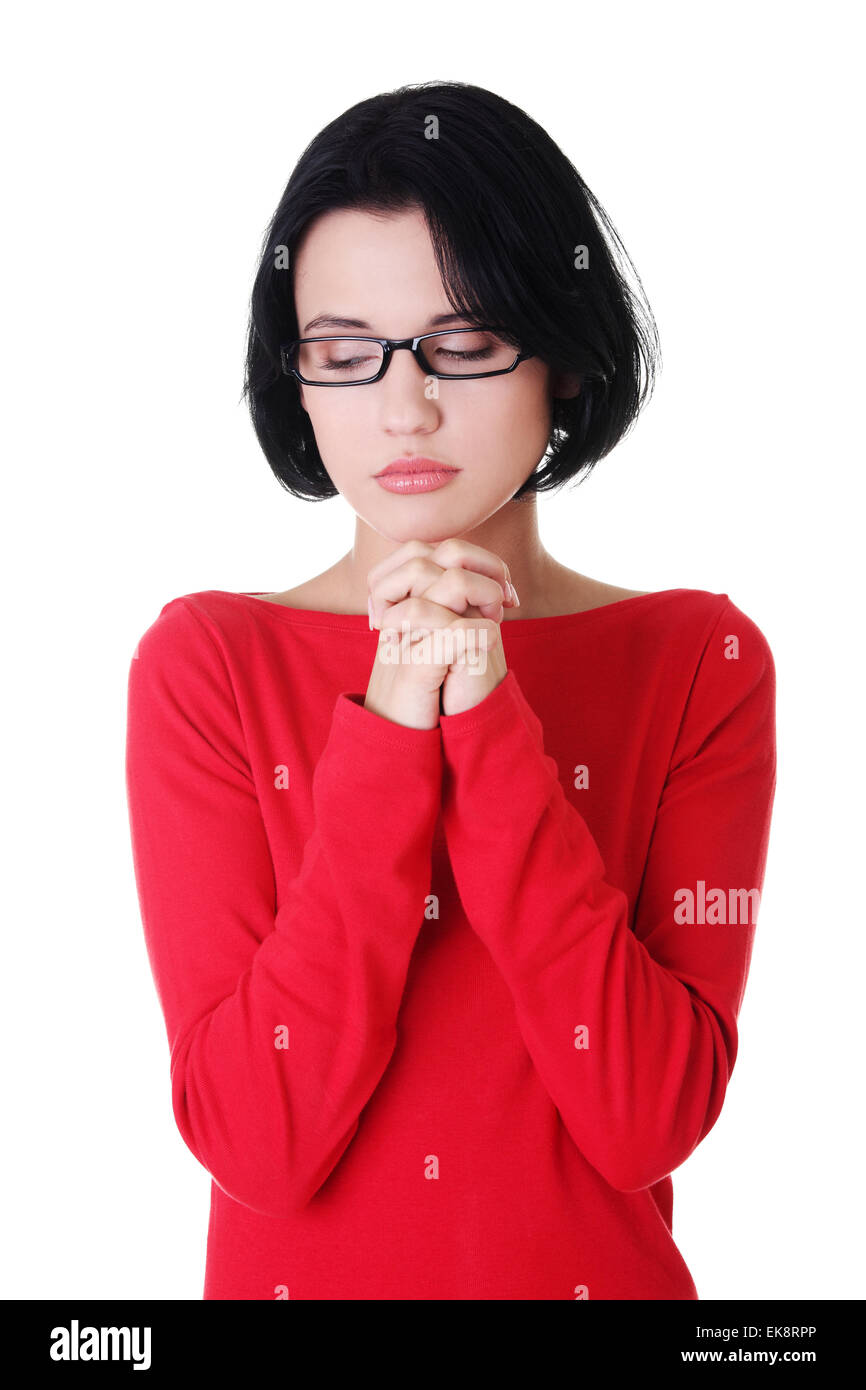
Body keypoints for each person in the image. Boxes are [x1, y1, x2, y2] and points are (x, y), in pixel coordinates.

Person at [125, 80, 777, 1300]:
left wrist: (487, 715)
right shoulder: (206, 663)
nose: (401, 405)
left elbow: (647, 1120)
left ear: (564, 358)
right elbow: (257, 1142)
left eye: (464, 345)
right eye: (342, 352)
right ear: (297, 375)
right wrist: (391, 719)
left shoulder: (698, 662)